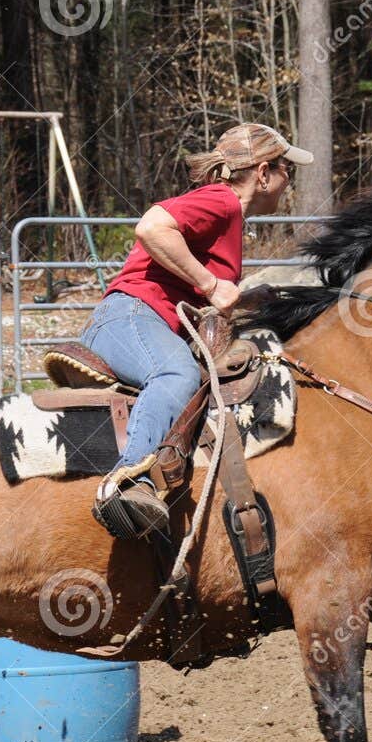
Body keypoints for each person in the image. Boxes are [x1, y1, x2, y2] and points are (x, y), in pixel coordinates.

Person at [81, 122, 312, 540]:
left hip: (143, 318)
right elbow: (151, 228)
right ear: (262, 173)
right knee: (177, 375)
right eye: (284, 169)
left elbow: (190, 284)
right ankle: (127, 483)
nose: (287, 181)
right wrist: (210, 284)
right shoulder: (221, 200)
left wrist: (241, 298)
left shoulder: (230, 216)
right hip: (129, 315)